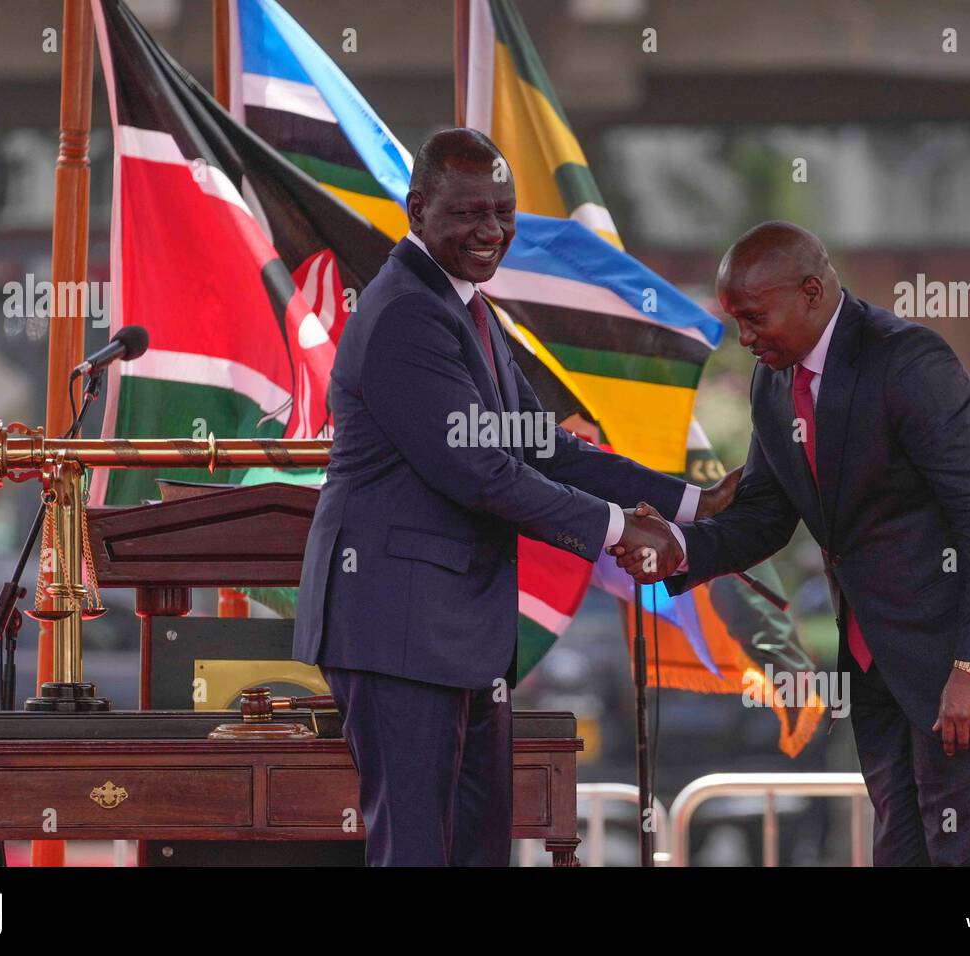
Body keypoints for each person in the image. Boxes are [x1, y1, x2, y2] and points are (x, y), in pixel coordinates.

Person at [293, 128, 718, 866]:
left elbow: (544, 447)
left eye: (503, 210)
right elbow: (481, 472)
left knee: (478, 849)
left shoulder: (466, 307)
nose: (490, 231)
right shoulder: (405, 314)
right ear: (417, 210)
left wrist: (690, 504)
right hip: (398, 631)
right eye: (466, 212)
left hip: (455, 634)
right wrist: (620, 528)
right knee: (418, 853)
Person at [615, 220, 970, 866]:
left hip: (962, 664)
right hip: (877, 669)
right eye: (735, 320)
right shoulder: (772, 384)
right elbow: (764, 516)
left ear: (812, 290)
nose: (744, 337)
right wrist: (680, 549)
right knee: (899, 853)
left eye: (754, 317)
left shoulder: (907, 360)